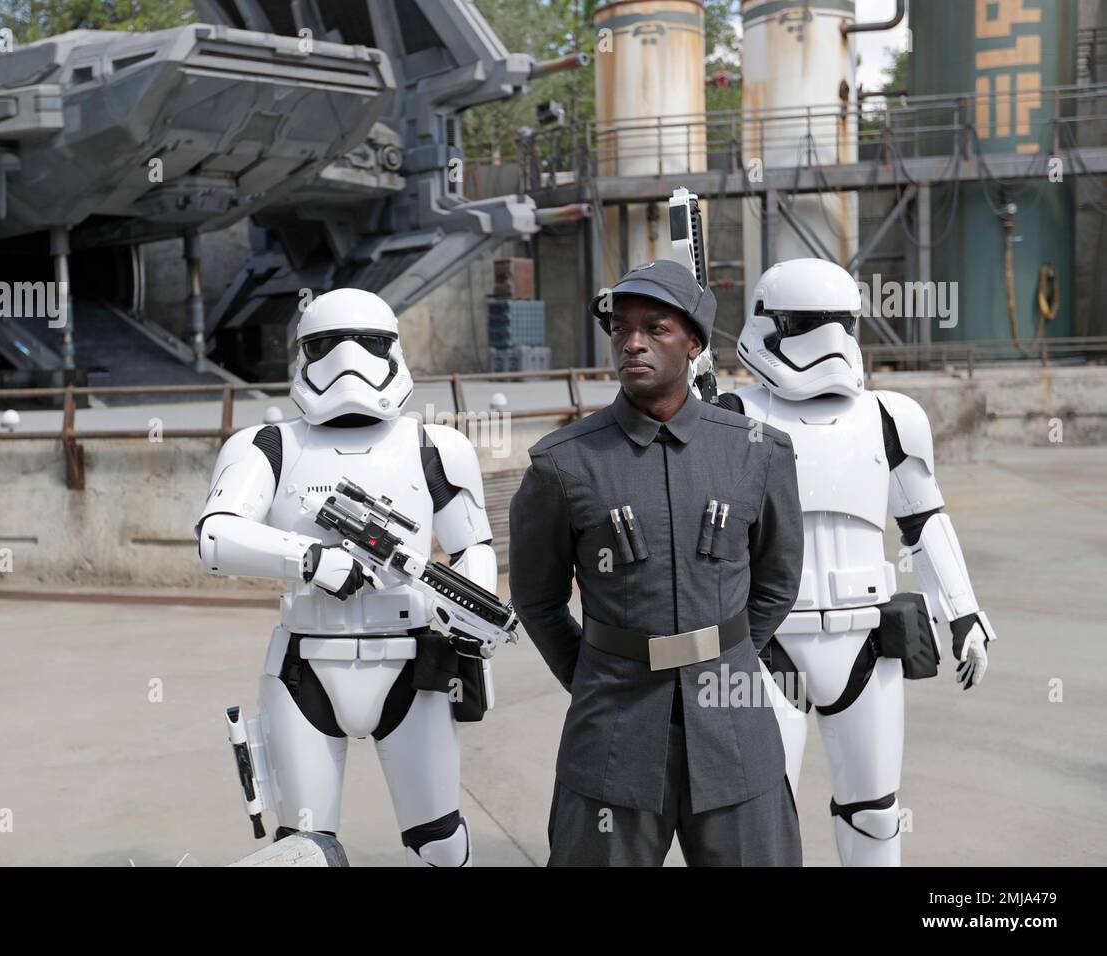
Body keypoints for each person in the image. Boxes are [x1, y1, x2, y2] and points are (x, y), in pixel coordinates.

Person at [509, 259, 805, 866]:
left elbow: (777, 579)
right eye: (621, 328)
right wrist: (594, 672)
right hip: (613, 731)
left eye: (656, 328)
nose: (632, 342)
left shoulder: (756, 453)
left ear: (694, 342)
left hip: (734, 725)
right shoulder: (564, 465)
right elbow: (536, 599)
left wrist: (726, 654)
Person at [194, 288, 498, 866]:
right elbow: (216, 535)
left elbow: (473, 547)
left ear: (393, 352)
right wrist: (314, 561)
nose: (349, 358)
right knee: (304, 853)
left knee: (440, 842)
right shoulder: (270, 444)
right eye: (328, 344)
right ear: (305, 354)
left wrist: (469, 611)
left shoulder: (435, 445)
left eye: (370, 343)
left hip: (415, 665)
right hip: (305, 664)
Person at [724, 257, 997, 866]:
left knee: (875, 813)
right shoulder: (728, 413)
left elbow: (925, 520)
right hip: (767, 642)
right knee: (761, 815)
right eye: (808, 324)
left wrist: (965, 614)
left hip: (867, 639)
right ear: (772, 327)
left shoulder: (891, 417)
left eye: (838, 324)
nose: (828, 344)